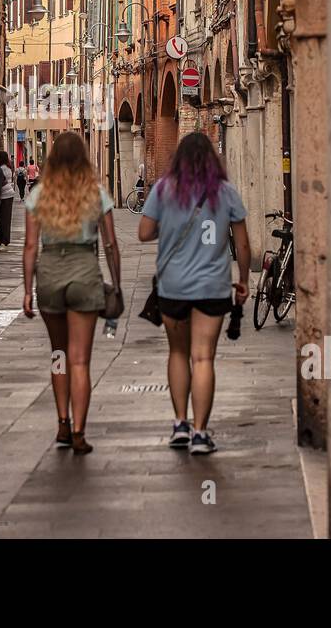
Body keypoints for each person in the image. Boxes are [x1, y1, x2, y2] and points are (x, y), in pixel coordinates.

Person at [138, 132, 250, 455]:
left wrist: (170, 227)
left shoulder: (163, 190)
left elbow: (144, 232)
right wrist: (244, 280)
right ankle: (200, 433)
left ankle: (179, 425)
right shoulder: (226, 193)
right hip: (212, 287)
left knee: (177, 354)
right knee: (203, 357)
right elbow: (242, 244)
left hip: (173, 286)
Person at [21, 131, 120, 455]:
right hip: (84, 271)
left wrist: (26, 291)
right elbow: (109, 244)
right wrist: (116, 284)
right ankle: (79, 431)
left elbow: (30, 247)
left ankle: (62, 422)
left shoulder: (38, 196)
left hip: (49, 273)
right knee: (80, 361)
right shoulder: (96, 193)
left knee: (59, 355)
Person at [0, 150, 16, 248]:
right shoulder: (7, 167)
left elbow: (0, 182)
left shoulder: (2, 168)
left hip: (5, 195)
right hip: (7, 194)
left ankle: (4, 241)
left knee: (4, 219)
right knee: (3, 218)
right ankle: (2, 240)